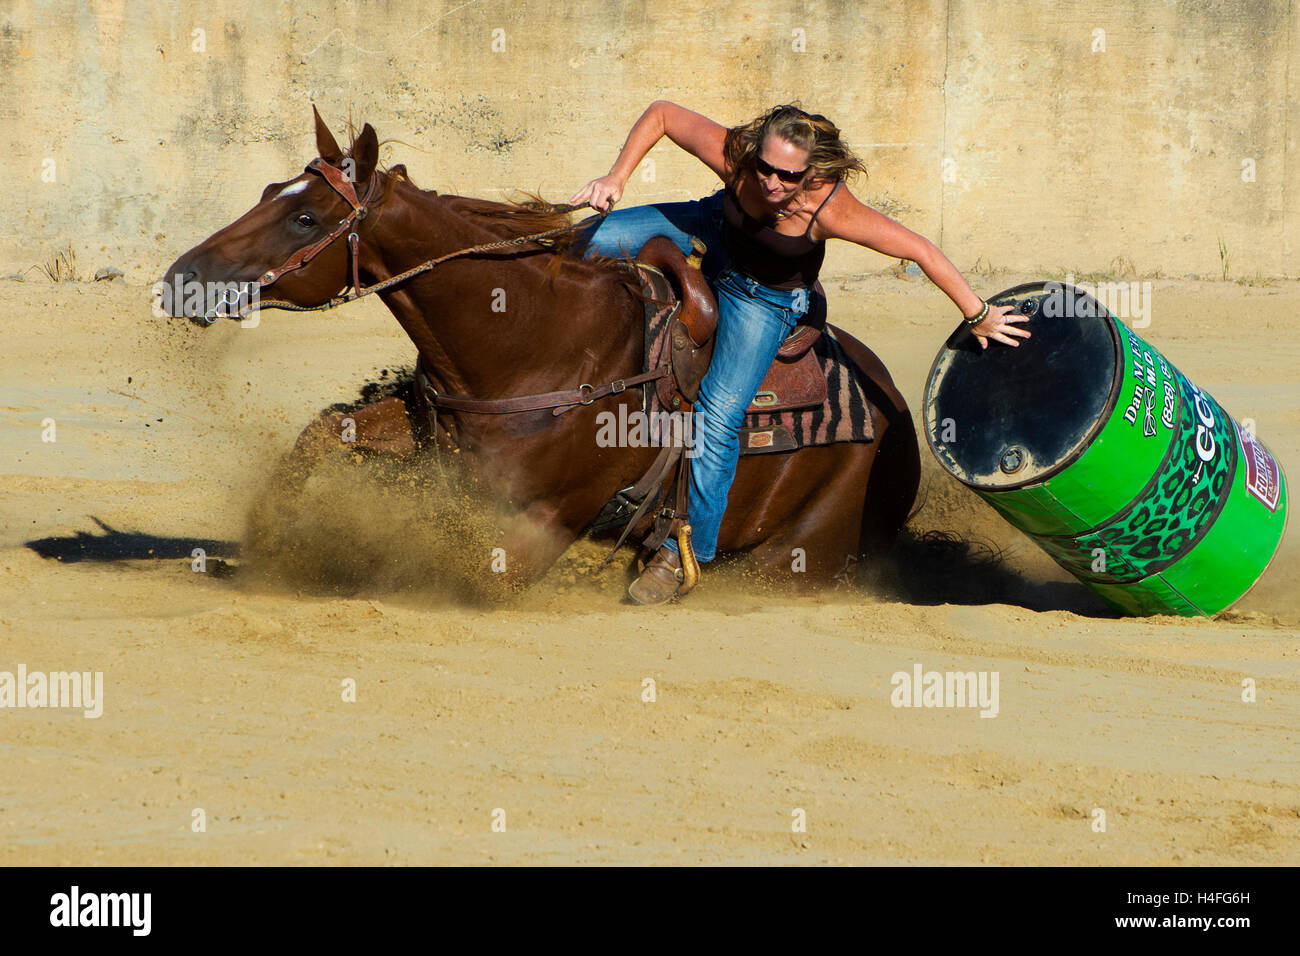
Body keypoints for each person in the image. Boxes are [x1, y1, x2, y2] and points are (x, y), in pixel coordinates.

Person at [570, 102, 1030, 605]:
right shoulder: (737, 155)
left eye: (786, 175)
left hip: (762, 296)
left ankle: (687, 555)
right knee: (575, 244)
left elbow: (918, 249)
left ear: (809, 172)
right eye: (764, 168)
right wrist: (615, 178)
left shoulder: (831, 206)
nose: (771, 183)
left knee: (719, 415)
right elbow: (661, 114)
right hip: (708, 229)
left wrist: (978, 312)